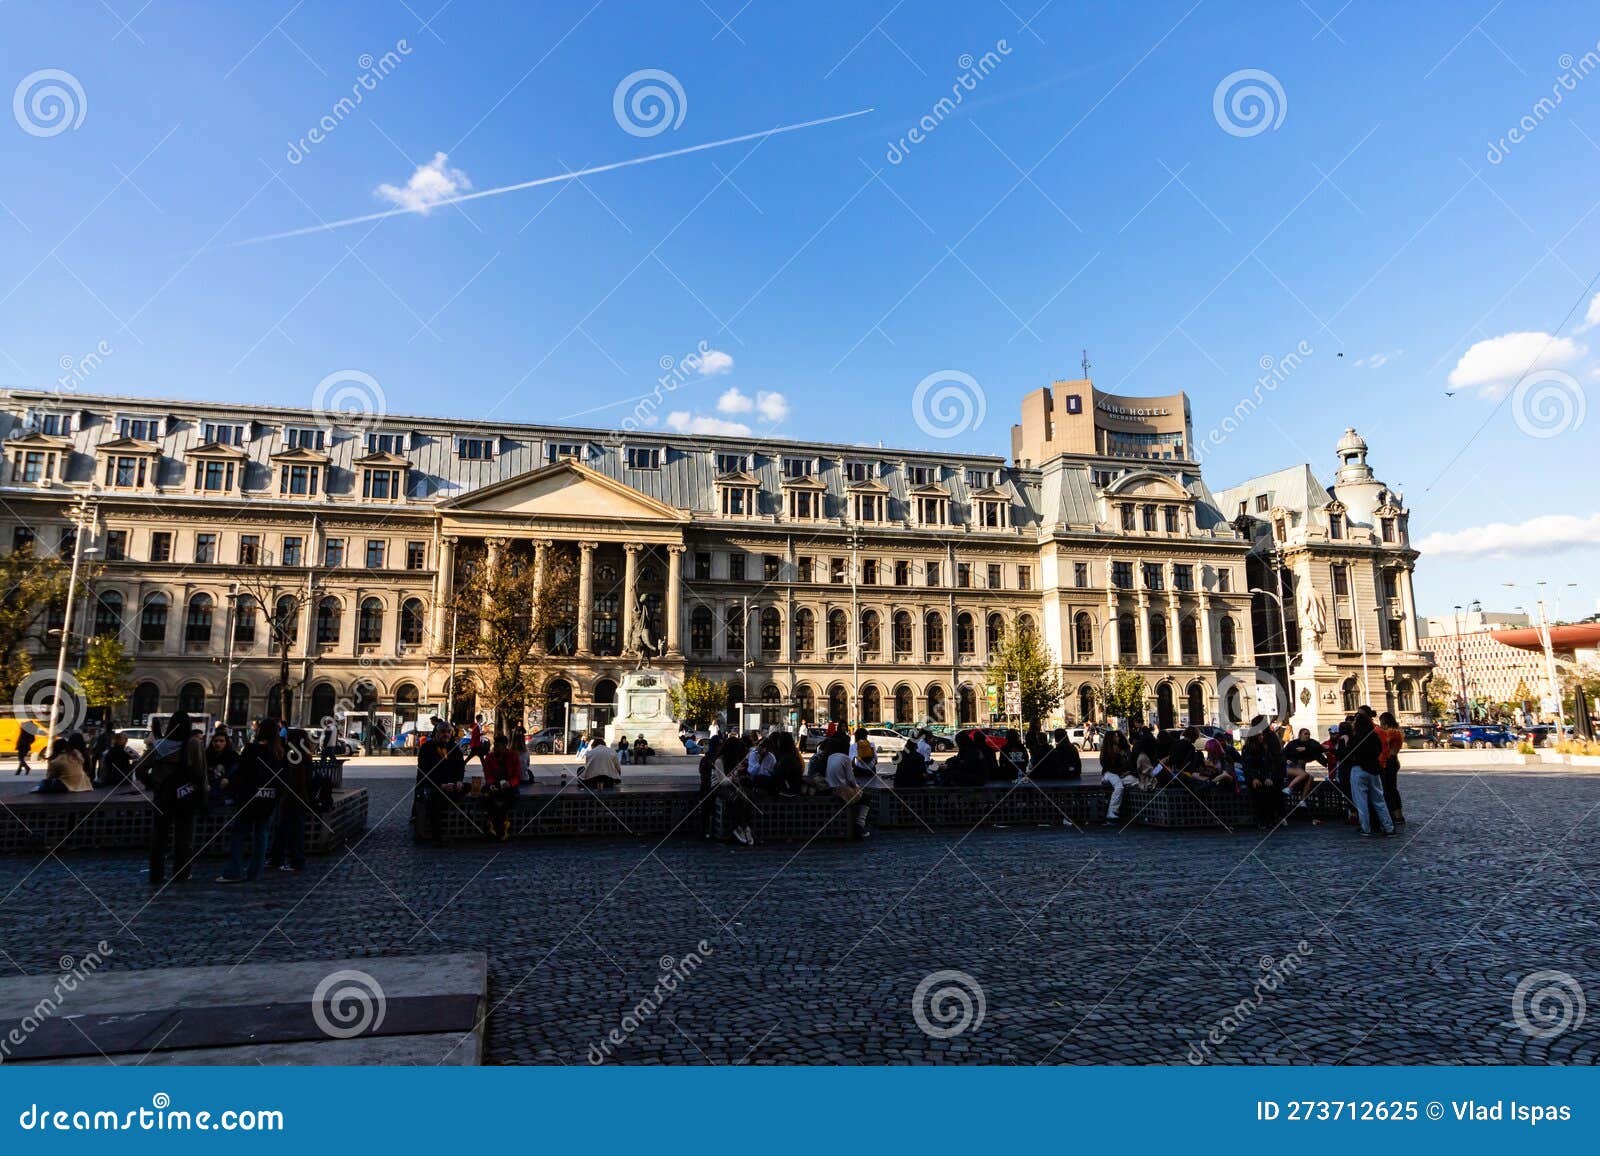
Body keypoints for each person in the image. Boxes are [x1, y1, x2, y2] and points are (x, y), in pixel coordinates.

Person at [136, 712, 207, 886]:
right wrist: (201, 793)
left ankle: (156, 874)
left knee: (159, 837)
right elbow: (200, 771)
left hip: (163, 797)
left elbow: (140, 769)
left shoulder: (160, 745)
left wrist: (154, 784)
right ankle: (181, 873)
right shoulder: (193, 743)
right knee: (184, 837)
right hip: (185, 796)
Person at [218, 720, 283, 883]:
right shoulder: (278, 751)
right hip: (269, 798)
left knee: (239, 834)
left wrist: (230, 784)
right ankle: (254, 872)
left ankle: (234, 872)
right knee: (262, 834)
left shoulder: (252, 749)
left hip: (250, 798)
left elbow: (241, 772)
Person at [268, 729, 315, 870]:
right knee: (284, 829)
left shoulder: (293, 757)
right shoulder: (304, 756)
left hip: (292, 798)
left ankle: (295, 860)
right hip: (297, 798)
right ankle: (277, 858)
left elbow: (291, 779)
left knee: (292, 829)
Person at [1344, 712, 1394, 837]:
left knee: (1361, 802)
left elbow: (1348, 752)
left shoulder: (1355, 737)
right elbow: (1378, 751)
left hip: (1359, 769)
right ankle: (1389, 828)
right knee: (1379, 801)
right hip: (1373, 770)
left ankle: (1366, 828)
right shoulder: (1374, 736)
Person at [417, 727, 469, 845]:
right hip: (432, 784)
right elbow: (425, 771)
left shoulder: (454, 748)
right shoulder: (427, 747)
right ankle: (437, 836)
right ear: (436, 733)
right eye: (443, 732)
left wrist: (459, 781)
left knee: (467, 787)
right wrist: (441, 785)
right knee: (436, 798)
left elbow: (460, 766)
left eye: (448, 732)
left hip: (451, 784)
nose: (446, 735)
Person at [825, 735, 870, 839]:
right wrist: (857, 787)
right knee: (865, 797)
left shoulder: (831, 757)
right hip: (842, 790)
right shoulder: (845, 758)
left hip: (831, 788)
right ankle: (860, 825)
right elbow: (850, 779)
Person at [481, 733, 522, 841]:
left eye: (498, 746)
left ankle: (494, 825)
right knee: (488, 795)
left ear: (504, 746)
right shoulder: (489, 757)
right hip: (494, 785)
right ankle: (501, 827)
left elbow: (517, 775)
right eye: (495, 745)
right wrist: (492, 784)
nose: (495, 748)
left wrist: (510, 783)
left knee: (509, 797)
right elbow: (487, 774)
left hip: (508, 786)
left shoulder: (513, 756)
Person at [1240, 732, 1283, 829]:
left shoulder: (1265, 748)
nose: (1262, 737)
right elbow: (1247, 766)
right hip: (1253, 777)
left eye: (1262, 735)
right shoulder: (1247, 749)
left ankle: (1271, 818)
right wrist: (1254, 778)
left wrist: (1268, 777)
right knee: (1259, 793)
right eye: (1259, 735)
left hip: (1264, 776)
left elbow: (1269, 764)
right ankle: (1261, 819)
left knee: (1271, 790)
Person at [1100, 729, 1138, 821]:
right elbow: (1108, 766)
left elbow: (1125, 765)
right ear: (1112, 738)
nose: (1118, 738)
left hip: (1118, 774)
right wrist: (1121, 772)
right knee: (1119, 787)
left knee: (1135, 781)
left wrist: (1125, 772)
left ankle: (1124, 808)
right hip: (1109, 773)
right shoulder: (1107, 751)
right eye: (1116, 736)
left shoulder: (1120, 749)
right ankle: (1112, 811)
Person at [1376, 711, 1406, 825]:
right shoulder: (1397, 731)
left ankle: (1395, 815)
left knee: (1388, 789)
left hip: (1389, 761)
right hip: (1393, 760)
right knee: (1391, 788)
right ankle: (1396, 814)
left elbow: (1384, 742)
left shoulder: (1392, 732)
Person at [1283, 727, 1326, 798]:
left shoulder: (1311, 742)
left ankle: (1302, 801)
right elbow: (1283, 754)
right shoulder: (1293, 743)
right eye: (1305, 734)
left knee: (1310, 777)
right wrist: (1287, 761)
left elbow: (1319, 748)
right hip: (1290, 767)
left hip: (1300, 769)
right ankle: (1288, 788)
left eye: (1309, 734)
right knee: (1303, 774)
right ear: (1300, 735)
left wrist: (1306, 749)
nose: (1307, 736)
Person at [204, 729, 239, 806]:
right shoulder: (207, 755)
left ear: (226, 742)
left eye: (221, 741)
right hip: (210, 789)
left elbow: (236, 770)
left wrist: (227, 778)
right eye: (215, 741)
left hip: (227, 790)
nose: (218, 743)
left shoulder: (233, 755)